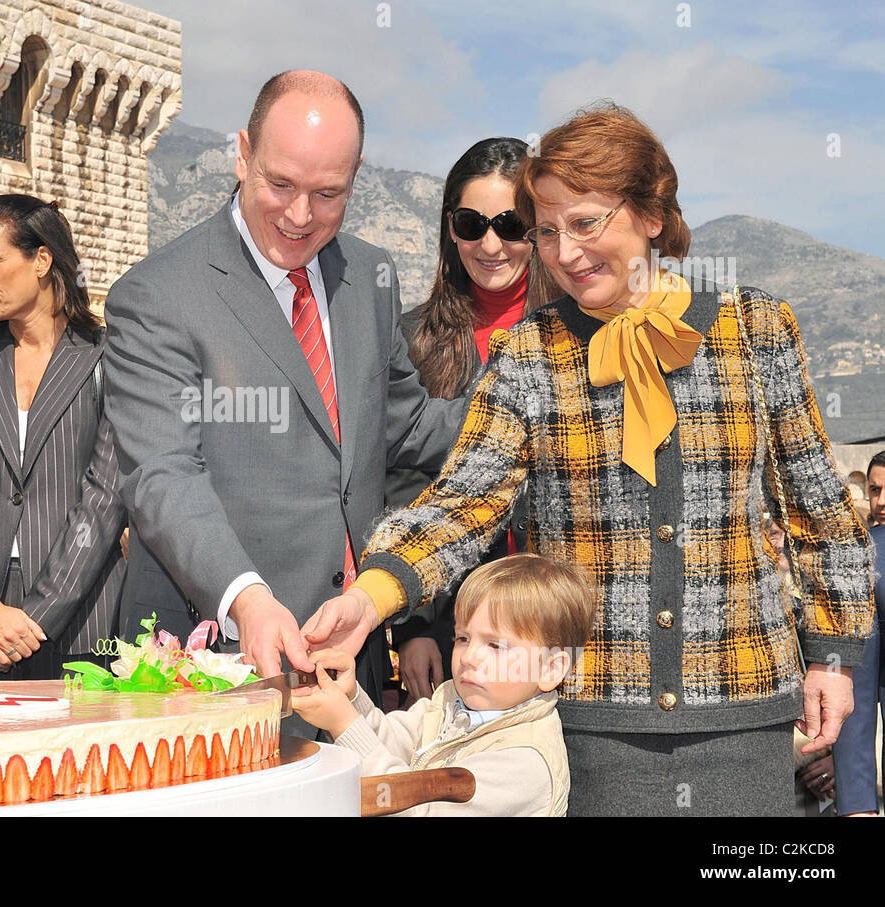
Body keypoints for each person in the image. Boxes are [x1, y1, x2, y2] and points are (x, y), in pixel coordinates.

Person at [303, 103, 872, 816]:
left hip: (744, 712)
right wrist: (370, 598)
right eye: (546, 230)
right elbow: (464, 502)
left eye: (586, 222)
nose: (563, 251)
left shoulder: (757, 329)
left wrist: (833, 656)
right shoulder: (528, 355)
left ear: (651, 214)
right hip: (590, 722)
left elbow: (818, 505)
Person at [102, 71, 460, 714]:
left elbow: (401, 428)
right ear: (242, 154)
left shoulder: (369, 276)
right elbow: (162, 474)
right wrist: (246, 597)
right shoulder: (157, 294)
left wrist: (528, 402)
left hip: (349, 665)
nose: (299, 216)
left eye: (328, 194)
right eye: (280, 184)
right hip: (208, 663)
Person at [0, 194, 126, 682]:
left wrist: (31, 622)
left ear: (42, 260)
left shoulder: (108, 357)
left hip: (79, 626)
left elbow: (105, 502)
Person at [389, 137, 559, 701]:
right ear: (449, 228)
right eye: (471, 223)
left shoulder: (579, 337)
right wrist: (413, 627)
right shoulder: (412, 339)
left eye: (511, 226)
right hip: (454, 625)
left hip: (558, 619)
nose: (491, 245)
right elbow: (402, 486)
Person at [295, 555, 595, 815]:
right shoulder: (448, 702)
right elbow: (390, 742)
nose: (470, 657)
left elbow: (413, 810)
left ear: (551, 668)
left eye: (496, 646)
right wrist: (350, 699)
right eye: (463, 638)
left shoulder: (524, 759)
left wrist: (343, 723)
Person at [831, 456, 885, 816]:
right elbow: (856, 693)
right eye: (876, 490)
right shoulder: (863, 557)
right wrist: (857, 803)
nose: (881, 502)